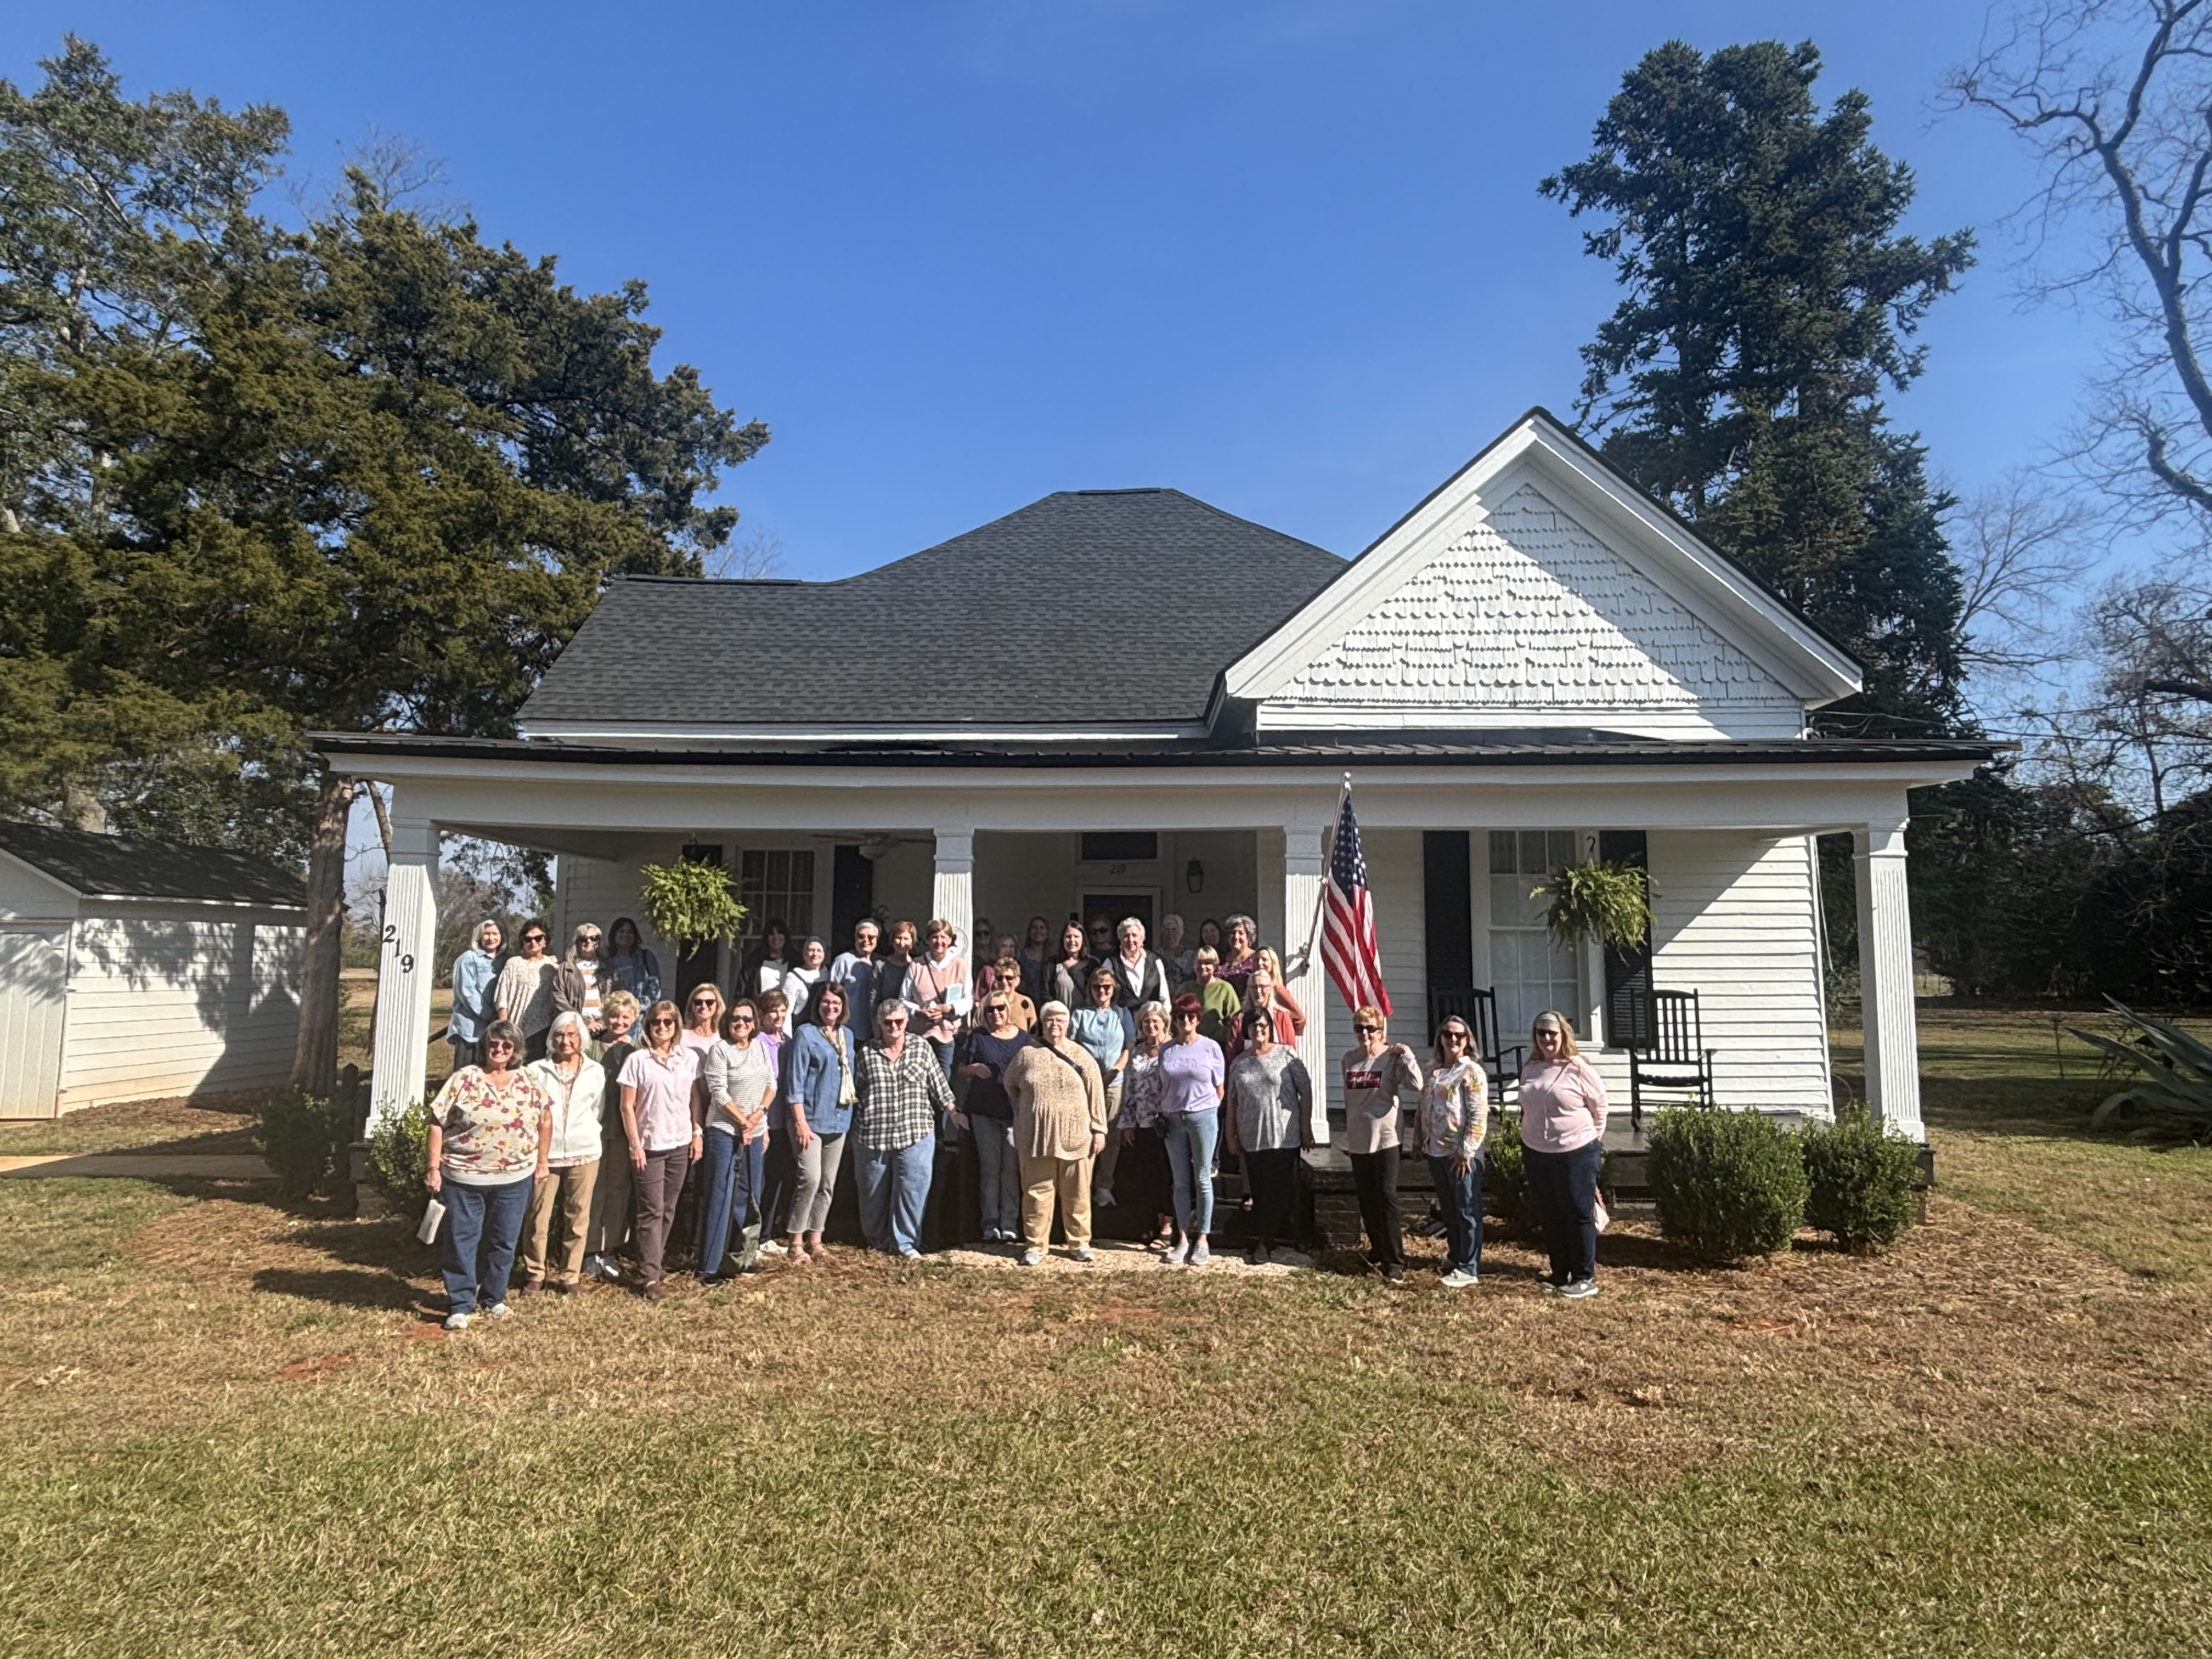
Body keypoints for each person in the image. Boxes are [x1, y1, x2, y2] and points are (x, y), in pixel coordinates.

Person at [425, 1019, 551, 1329]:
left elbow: (546, 1119)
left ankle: (494, 1298)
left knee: (504, 1242)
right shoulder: (464, 1079)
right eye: (493, 1043)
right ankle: (460, 1304)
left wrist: (543, 1162)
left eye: (507, 1045)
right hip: (464, 1178)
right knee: (461, 1240)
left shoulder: (529, 1081)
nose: (499, 1049)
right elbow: (436, 1121)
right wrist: (432, 1168)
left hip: (514, 1179)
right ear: (485, 1047)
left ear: (516, 1049)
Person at [1003, 1001, 1108, 1266]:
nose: (1055, 1025)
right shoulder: (1027, 1054)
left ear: (1068, 1023)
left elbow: (1096, 1096)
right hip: (1037, 1136)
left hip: (1077, 1137)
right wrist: (1031, 1111)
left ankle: (1080, 1243)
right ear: (1042, 1022)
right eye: (1050, 1019)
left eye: (1060, 1020)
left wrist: (1099, 1130)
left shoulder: (1082, 1056)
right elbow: (1011, 1085)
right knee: (1037, 1192)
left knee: (1078, 1192)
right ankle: (1036, 1245)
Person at [853, 997, 956, 1257]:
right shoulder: (866, 1053)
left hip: (916, 1132)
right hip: (872, 1135)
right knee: (872, 1196)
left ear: (906, 1022)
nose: (894, 1027)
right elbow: (855, 1092)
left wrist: (953, 1111)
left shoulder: (921, 1048)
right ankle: (877, 1242)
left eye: (899, 1022)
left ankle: (905, 1243)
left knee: (912, 1192)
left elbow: (938, 1084)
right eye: (888, 1023)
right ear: (879, 1024)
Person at [617, 1000, 704, 1302]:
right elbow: (627, 1106)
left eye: (668, 1022)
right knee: (650, 1211)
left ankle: (651, 1262)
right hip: (650, 1146)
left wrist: (697, 1132)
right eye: (657, 1022)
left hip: (679, 1143)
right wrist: (635, 1144)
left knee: (668, 1208)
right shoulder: (637, 1060)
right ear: (649, 1026)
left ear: (677, 1026)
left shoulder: (688, 1058)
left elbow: (695, 1098)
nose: (662, 1028)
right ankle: (649, 1277)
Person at [1519, 1010, 1608, 1298]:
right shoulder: (1532, 1067)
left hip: (1576, 1152)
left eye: (1552, 1033)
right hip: (1537, 1151)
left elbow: (1600, 1108)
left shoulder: (1579, 1068)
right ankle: (1560, 1273)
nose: (1547, 1038)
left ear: (1563, 1036)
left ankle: (1584, 1277)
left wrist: (1589, 1140)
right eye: (1541, 1033)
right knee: (1551, 1213)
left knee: (1578, 1213)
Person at [517, 1011, 606, 1296]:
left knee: (578, 1215)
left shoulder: (596, 1071)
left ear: (582, 1038)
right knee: (538, 1215)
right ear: (551, 1038)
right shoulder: (535, 1070)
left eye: (571, 1034)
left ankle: (570, 1276)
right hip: (546, 1153)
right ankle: (535, 1273)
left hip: (585, 1151)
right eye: (559, 1035)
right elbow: (529, 1114)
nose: (565, 1040)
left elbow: (597, 1110)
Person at [1224, 1007, 1316, 1267]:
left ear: (1270, 1028)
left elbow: (1306, 1091)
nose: (1259, 1031)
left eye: (1263, 1026)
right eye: (1254, 1027)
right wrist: (1231, 1135)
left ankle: (1269, 1241)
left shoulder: (1286, 1055)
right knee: (1260, 1192)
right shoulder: (1240, 1062)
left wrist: (1305, 1128)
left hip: (1283, 1136)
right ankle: (1265, 1239)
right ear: (1247, 1031)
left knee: (1280, 1191)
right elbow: (1232, 1101)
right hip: (1252, 1137)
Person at [698, 998, 776, 1283]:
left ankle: (741, 1258)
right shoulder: (720, 1051)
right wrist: (743, 1121)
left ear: (754, 1023)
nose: (740, 1024)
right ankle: (709, 1266)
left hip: (754, 1133)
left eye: (746, 1019)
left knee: (750, 1195)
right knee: (721, 1195)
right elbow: (718, 1093)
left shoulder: (760, 1047)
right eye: (735, 1019)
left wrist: (757, 1117)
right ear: (727, 1023)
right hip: (724, 1132)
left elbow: (772, 1083)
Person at [1342, 1006, 1421, 1284]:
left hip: (1387, 1138)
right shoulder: (1348, 1060)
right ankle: (1378, 1248)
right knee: (1367, 1199)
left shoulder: (1391, 1059)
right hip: (1359, 1139)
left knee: (1387, 1196)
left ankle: (1395, 1260)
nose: (1365, 1034)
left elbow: (1417, 1084)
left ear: (1380, 1031)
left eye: (1370, 1029)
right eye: (1359, 1029)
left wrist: (1407, 1055)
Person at [782, 980, 860, 1263]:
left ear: (843, 1008)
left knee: (827, 1183)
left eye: (836, 1003)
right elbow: (795, 1083)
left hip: (839, 1119)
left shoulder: (847, 1036)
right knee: (809, 1178)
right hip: (810, 1120)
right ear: (818, 1004)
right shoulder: (805, 1034)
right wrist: (800, 1122)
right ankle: (795, 1241)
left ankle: (817, 1238)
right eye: (826, 1002)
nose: (831, 1007)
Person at [957, 988, 1033, 1243]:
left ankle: (1010, 1222)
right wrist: (974, 1069)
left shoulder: (1023, 1039)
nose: (996, 1013)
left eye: (1000, 1008)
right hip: (984, 1113)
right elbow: (960, 1069)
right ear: (984, 1012)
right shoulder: (977, 1037)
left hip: (1013, 1113)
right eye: (991, 1009)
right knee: (990, 1169)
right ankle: (990, 1223)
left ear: (1008, 1010)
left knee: (1011, 1170)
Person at [1157, 994, 1227, 1266]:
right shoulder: (1166, 1050)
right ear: (1174, 1020)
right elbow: (1161, 1085)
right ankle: (1183, 1237)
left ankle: (1203, 1239)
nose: (1186, 1021)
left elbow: (1220, 1090)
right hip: (1173, 1120)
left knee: (1203, 1178)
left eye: (1192, 1016)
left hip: (1203, 1117)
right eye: (1181, 1016)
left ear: (1198, 1019)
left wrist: (1202, 1109)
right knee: (1180, 1181)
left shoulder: (1211, 1048)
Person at [1421, 1014, 1489, 1290]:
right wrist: (1419, 1142)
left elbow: (1478, 1114)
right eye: (1447, 1034)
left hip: (1461, 1154)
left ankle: (1469, 1266)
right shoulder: (1434, 1071)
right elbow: (1423, 1110)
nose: (1452, 1040)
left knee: (1467, 1209)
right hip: (1436, 1150)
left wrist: (1467, 1151)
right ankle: (1456, 1255)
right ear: (1440, 1038)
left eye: (1458, 1036)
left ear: (1467, 1041)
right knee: (1449, 1209)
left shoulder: (1471, 1071)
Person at [582, 990, 641, 1283]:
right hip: (593, 1127)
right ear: (606, 1017)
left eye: (625, 1017)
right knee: (593, 1189)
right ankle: (588, 1250)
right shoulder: (591, 1048)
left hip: (623, 1129)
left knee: (618, 1189)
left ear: (634, 1019)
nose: (619, 1022)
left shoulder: (638, 1050)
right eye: (614, 1016)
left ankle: (610, 1248)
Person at [1068, 967, 1134, 1207]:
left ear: (1113, 989)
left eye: (1107, 987)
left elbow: (1128, 1047)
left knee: (1111, 1135)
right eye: (1097, 987)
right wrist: (1088, 1074)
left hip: (1114, 1082)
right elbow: (1071, 1048)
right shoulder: (1080, 1014)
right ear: (1091, 990)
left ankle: (1104, 1186)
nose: (1102, 991)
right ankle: (1082, 1186)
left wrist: (1114, 1071)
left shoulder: (1122, 1013)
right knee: (1085, 1134)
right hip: (1085, 1082)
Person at [1119, 1001, 1177, 1248]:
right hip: (1143, 1123)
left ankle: (1169, 1225)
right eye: (1146, 1022)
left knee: (1169, 1174)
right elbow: (1129, 1089)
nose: (1151, 1026)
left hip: (1169, 1124)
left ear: (1165, 1023)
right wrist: (1128, 1123)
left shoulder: (1173, 1049)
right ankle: (1155, 1220)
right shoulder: (1137, 1053)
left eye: (1155, 1021)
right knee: (1149, 1176)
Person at [751, 988, 795, 1254]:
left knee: (777, 1179)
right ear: (762, 1014)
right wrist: (763, 1124)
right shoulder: (758, 1043)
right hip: (764, 1123)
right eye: (773, 1011)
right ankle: (752, 1237)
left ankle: (766, 1235)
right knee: (759, 1182)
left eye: (782, 1010)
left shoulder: (788, 1041)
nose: (778, 1016)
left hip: (784, 1124)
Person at [903, 919, 969, 1074]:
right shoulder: (916, 966)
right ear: (928, 939)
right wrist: (919, 1012)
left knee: (943, 1081)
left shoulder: (960, 966)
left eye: (943, 937)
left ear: (950, 941)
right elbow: (904, 999)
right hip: (920, 1037)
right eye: (934, 937)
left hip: (947, 1036)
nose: (939, 942)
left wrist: (950, 1008)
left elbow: (968, 1000)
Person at [493, 918, 558, 1061]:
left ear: (545, 941)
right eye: (528, 939)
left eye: (538, 938)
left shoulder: (553, 966)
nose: (533, 942)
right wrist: (504, 1029)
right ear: (523, 943)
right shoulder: (514, 963)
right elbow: (502, 996)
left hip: (542, 1029)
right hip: (515, 1026)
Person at [445, 919, 502, 1070]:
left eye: (495, 934)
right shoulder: (468, 958)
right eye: (486, 934)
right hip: (470, 1030)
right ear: (479, 936)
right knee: (466, 1076)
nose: (491, 938)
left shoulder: (505, 960)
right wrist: (490, 1015)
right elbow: (467, 993)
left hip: (494, 1031)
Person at [1226, 962, 1307, 1064]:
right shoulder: (1239, 1019)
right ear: (1249, 990)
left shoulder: (1282, 1017)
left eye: (1263, 987)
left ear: (1270, 989)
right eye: (1254, 987)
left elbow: (1290, 1050)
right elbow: (1232, 1054)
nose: (1258, 991)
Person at [550, 922, 609, 1042]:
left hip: (604, 1028)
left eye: (594, 938)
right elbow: (559, 999)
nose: (589, 942)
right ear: (577, 942)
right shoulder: (566, 968)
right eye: (584, 939)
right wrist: (583, 1021)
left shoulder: (609, 967)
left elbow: (616, 996)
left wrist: (604, 1021)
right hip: (575, 1027)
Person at [604, 917, 662, 1038]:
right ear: (614, 934)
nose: (626, 935)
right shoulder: (606, 959)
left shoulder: (646, 957)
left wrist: (635, 1007)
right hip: (615, 1019)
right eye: (622, 931)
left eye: (630, 932)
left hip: (641, 1020)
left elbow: (655, 990)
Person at [1107, 917, 1177, 1009]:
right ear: (1120, 941)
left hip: (1150, 1020)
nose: (1130, 940)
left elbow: (1164, 997)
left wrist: (1164, 1020)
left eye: (1134, 935)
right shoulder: (1111, 963)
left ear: (1142, 939)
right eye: (1126, 936)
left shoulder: (1156, 961)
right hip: (1122, 1020)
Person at [1180, 947, 1240, 1046]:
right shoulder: (1185, 989)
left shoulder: (1225, 989)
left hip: (1217, 1045)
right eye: (1199, 962)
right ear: (1194, 965)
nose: (1203, 966)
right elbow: (1175, 1016)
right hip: (1188, 1044)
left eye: (1208, 963)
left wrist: (1218, 1037)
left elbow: (1235, 1020)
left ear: (1215, 965)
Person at [828, 920, 883, 1020]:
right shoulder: (843, 961)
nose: (866, 940)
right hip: (848, 1026)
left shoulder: (880, 964)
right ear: (855, 939)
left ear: (877, 940)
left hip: (874, 1028)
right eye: (861, 936)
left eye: (871, 937)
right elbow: (831, 993)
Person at [1041, 921, 1093, 1010]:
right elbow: (1046, 994)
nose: (1072, 940)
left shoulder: (1093, 964)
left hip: (1086, 1019)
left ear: (1083, 940)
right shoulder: (1052, 964)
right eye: (1068, 937)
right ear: (1063, 940)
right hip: (1060, 1019)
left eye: (1076, 937)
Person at [739, 919, 793, 1000]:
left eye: (780, 933)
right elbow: (741, 991)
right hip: (759, 1010)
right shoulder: (754, 961)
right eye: (772, 934)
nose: (776, 938)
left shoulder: (796, 961)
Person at [983, 955, 1039, 1032]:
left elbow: (1033, 1033)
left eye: (1009, 978)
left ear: (1017, 980)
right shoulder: (986, 1002)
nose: (1004, 981)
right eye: (1000, 978)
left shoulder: (1026, 1003)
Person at [781, 937, 828, 1023]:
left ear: (824, 954)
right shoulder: (793, 977)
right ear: (804, 953)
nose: (815, 954)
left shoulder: (829, 974)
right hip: (801, 1028)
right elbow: (787, 1011)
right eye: (811, 950)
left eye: (819, 950)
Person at [1219, 915, 1262, 997]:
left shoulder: (1256, 959)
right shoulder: (1221, 958)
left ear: (1248, 937)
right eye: (1233, 933)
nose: (1236, 937)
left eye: (1241, 933)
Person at [1017, 915, 1053, 1000]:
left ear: (1047, 933)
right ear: (1029, 933)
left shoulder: (1053, 957)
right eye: (1034, 928)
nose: (1038, 931)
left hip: (1048, 1003)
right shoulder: (1021, 957)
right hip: (1026, 1002)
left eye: (1042, 928)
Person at [1159, 912, 1191, 981]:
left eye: (1174, 930)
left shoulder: (1190, 956)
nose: (1170, 933)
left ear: (1181, 932)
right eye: (1167, 930)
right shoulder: (1155, 956)